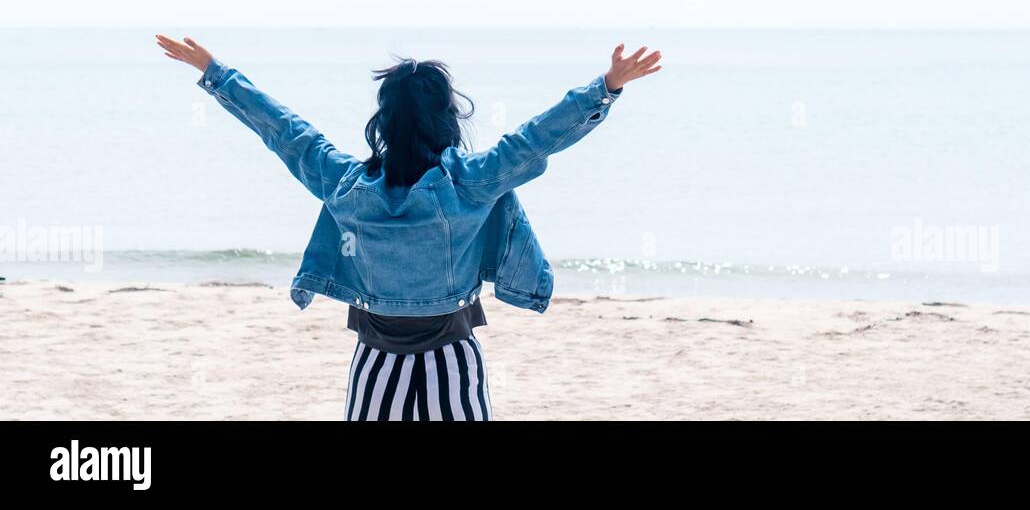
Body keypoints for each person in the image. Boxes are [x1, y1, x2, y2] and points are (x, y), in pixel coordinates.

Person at [155, 34, 662, 420]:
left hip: (375, 357)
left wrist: (216, 74)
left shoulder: (345, 185)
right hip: (453, 356)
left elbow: (286, 132)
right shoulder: (470, 182)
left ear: (384, 118)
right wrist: (606, 88)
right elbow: (534, 140)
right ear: (445, 116)